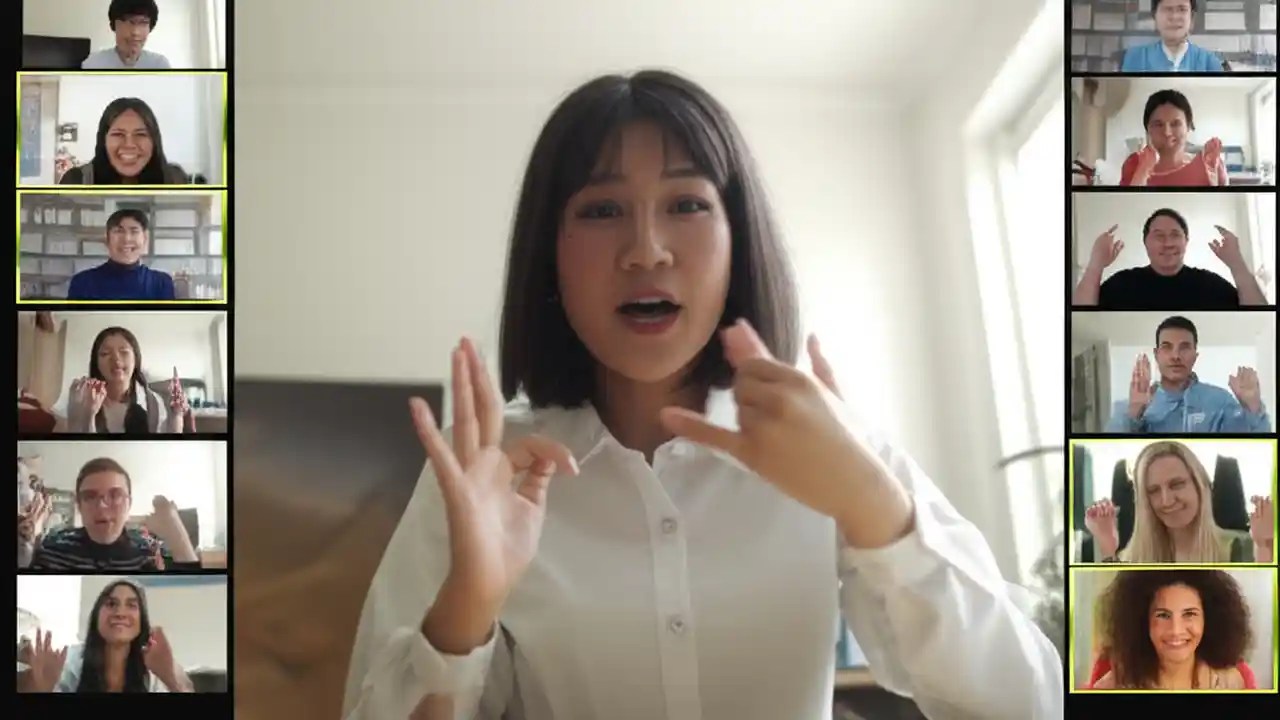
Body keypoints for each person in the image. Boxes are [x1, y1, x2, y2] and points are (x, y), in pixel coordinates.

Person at [342, 70, 1062, 720]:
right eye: (600, 211)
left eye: (686, 203)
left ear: (737, 245)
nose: (647, 249)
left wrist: (876, 508)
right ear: (549, 257)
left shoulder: (826, 446)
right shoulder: (487, 478)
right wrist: (468, 604)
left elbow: (1023, 705)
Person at [1082, 441, 1273, 563]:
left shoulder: (1245, 549)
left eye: (1177, 485)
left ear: (1200, 486)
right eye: (1154, 491)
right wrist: (1106, 546)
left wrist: (1266, 546)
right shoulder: (1128, 559)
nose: (1166, 501)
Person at [20, 457, 200, 572]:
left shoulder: (152, 551)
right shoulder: (52, 546)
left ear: (129, 503)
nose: (102, 505)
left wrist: (176, 532)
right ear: (79, 506)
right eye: (90, 497)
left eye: (115, 495)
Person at [18, 580, 195, 692]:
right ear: (96, 616)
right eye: (111, 603)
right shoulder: (70, 661)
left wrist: (170, 679)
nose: (120, 613)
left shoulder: (158, 667)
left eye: (131, 605)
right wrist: (40, 688)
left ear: (142, 621)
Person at [1105, 316, 1270, 434]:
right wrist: (1135, 412)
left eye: (1184, 347)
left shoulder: (1221, 401)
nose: (1175, 355)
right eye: (1167, 347)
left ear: (1195, 356)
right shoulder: (1126, 407)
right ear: (1156, 354)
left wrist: (1253, 408)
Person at [1073, 209, 1266, 309]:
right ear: (1145, 242)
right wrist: (1096, 263)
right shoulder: (1122, 283)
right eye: (1158, 235)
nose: (1168, 243)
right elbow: (1079, 313)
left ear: (1186, 242)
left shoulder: (1209, 284)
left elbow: (1259, 312)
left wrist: (1237, 263)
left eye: (1175, 235)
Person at [1090, 570, 1252, 689]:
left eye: (1189, 614)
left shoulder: (1232, 682)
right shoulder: (1111, 687)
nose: (1176, 630)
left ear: (1208, 619)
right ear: (1142, 621)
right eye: (1163, 615)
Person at [63, 326, 189, 434]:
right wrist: (87, 415)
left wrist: (176, 416)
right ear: (96, 363)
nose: (116, 359)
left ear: (136, 359)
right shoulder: (81, 398)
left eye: (124, 352)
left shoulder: (153, 403)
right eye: (105, 353)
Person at [58, 98, 190, 185]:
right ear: (103, 140)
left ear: (154, 140)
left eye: (141, 134)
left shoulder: (175, 178)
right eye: (118, 134)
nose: (129, 144)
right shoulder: (76, 180)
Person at [1119, 90, 1227, 187]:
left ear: (1188, 127)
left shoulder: (1212, 162)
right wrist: (1143, 169)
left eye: (1175, 124)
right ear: (1147, 129)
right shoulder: (1133, 164)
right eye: (1158, 124)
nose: (1167, 132)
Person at [68, 209, 176, 300]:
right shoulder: (82, 282)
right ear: (107, 239)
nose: (126, 239)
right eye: (119, 231)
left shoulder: (161, 283)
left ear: (145, 238)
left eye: (134, 231)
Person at [1121, 1, 1226, 72]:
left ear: (1192, 17)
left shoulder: (1209, 61)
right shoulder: (1136, 57)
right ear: (1155, 16)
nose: (1174, 17)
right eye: (1167, 9)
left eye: (1182, 9)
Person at [81, 0, 172, 70]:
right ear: (113, 25)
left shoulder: (159, 65)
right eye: (129, 22)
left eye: (143, 22)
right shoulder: (94, 63)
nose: (135, 32)